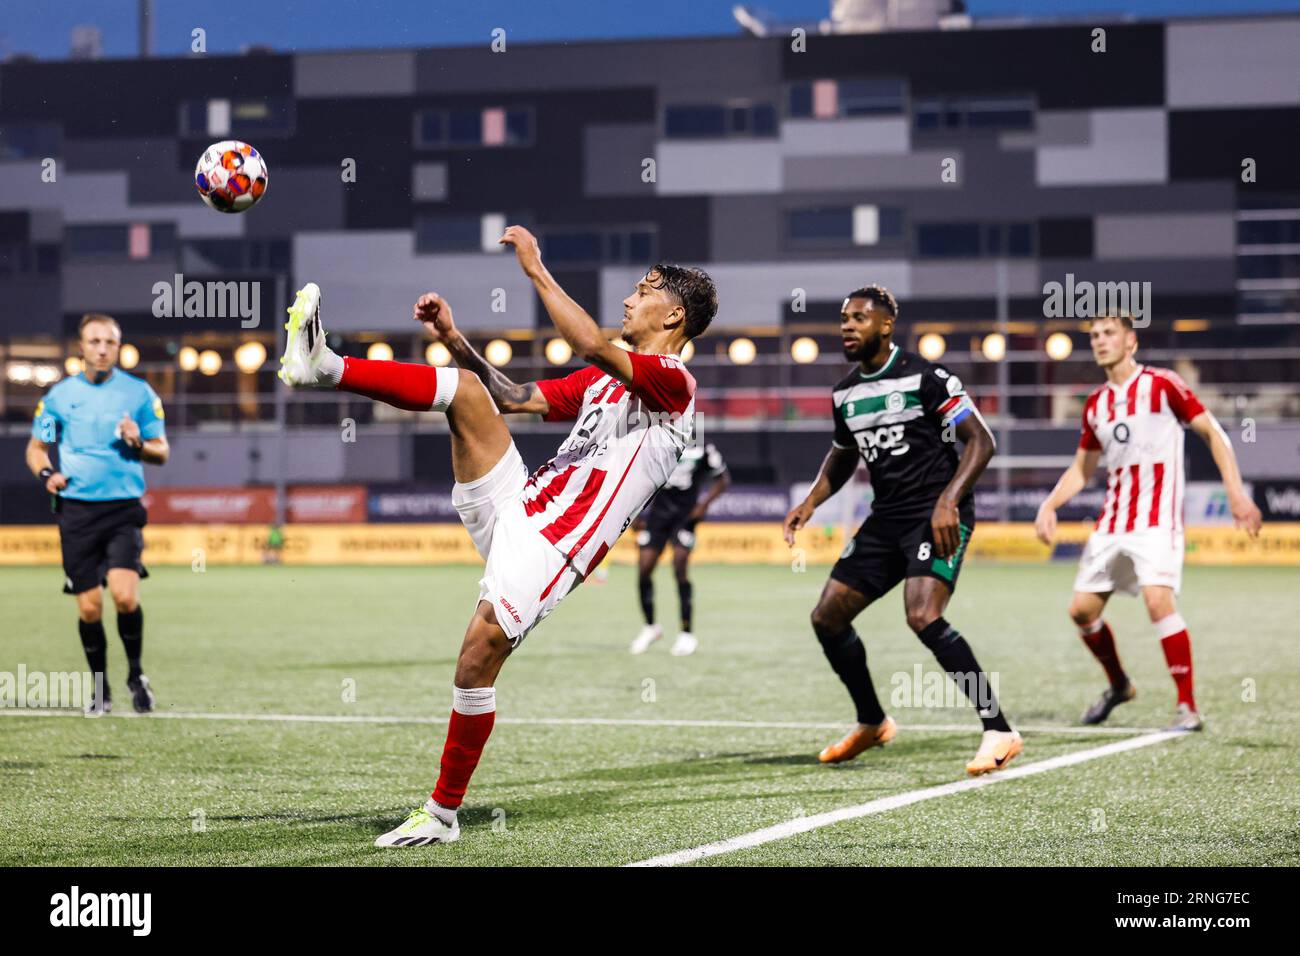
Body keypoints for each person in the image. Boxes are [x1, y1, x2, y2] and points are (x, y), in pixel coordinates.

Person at [277, 225, 717, 846]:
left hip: (555, 546)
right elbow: (512, 396)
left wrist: (536, 269)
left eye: (642, 290)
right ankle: (323, 365)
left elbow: (589, 340)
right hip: (522, 503)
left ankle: (441, 814)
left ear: (673, 314)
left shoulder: (674, 384)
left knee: (474, 661)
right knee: (466, 391)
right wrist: (454, 340)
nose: (628, 299)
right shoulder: (601, 383)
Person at [783, 285, 1021, 776]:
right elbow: (843, 455)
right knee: (827, 617)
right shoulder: (845, 391)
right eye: (844, 318)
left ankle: (999, 730)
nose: (848, 326)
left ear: (885, 325)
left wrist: (949, 500)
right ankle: (872, 722)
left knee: (922, 616)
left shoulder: (925, 377)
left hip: (937, 513)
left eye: (860, 318)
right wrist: (810, 501)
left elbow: (982, 440)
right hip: (887, 517)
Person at [1035, 314, 1262, 730]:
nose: (1101, 342)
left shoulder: (1163, 385)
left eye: (1109, 334)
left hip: (1157, 522)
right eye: (1095, 336)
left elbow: (1213, 433)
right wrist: (1049, 505)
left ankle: (1187, 708)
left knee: (1158, 600)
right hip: (1113, 523)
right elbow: (1082, 471)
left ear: (1131, 342)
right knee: (1081, 612)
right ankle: (1120, 686)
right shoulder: (1095, 405)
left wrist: (1235, 491)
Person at [25, 313, 169, 716]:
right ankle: (99, 687)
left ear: (118, 347)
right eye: (95, 341)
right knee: (90, 608)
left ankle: (136, 675)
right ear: (82, 347)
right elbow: (38, 448)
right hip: (78, 514)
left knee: (124, 596)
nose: (102, 349)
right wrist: (48, 473)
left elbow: (161, 451)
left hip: (123, 510)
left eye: (110, 342)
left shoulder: (138, 394)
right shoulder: (60, 398)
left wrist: (137, 441)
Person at [629, 442, 730, 656]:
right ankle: (651, 628)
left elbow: (723, 479)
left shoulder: (705, 449)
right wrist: (635, 513)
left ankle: (687, 634)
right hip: (658, 516)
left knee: (679, 566)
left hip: (685, 518)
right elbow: (639, 480)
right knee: (644, 568)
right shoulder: (658, 445)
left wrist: (703, 506)